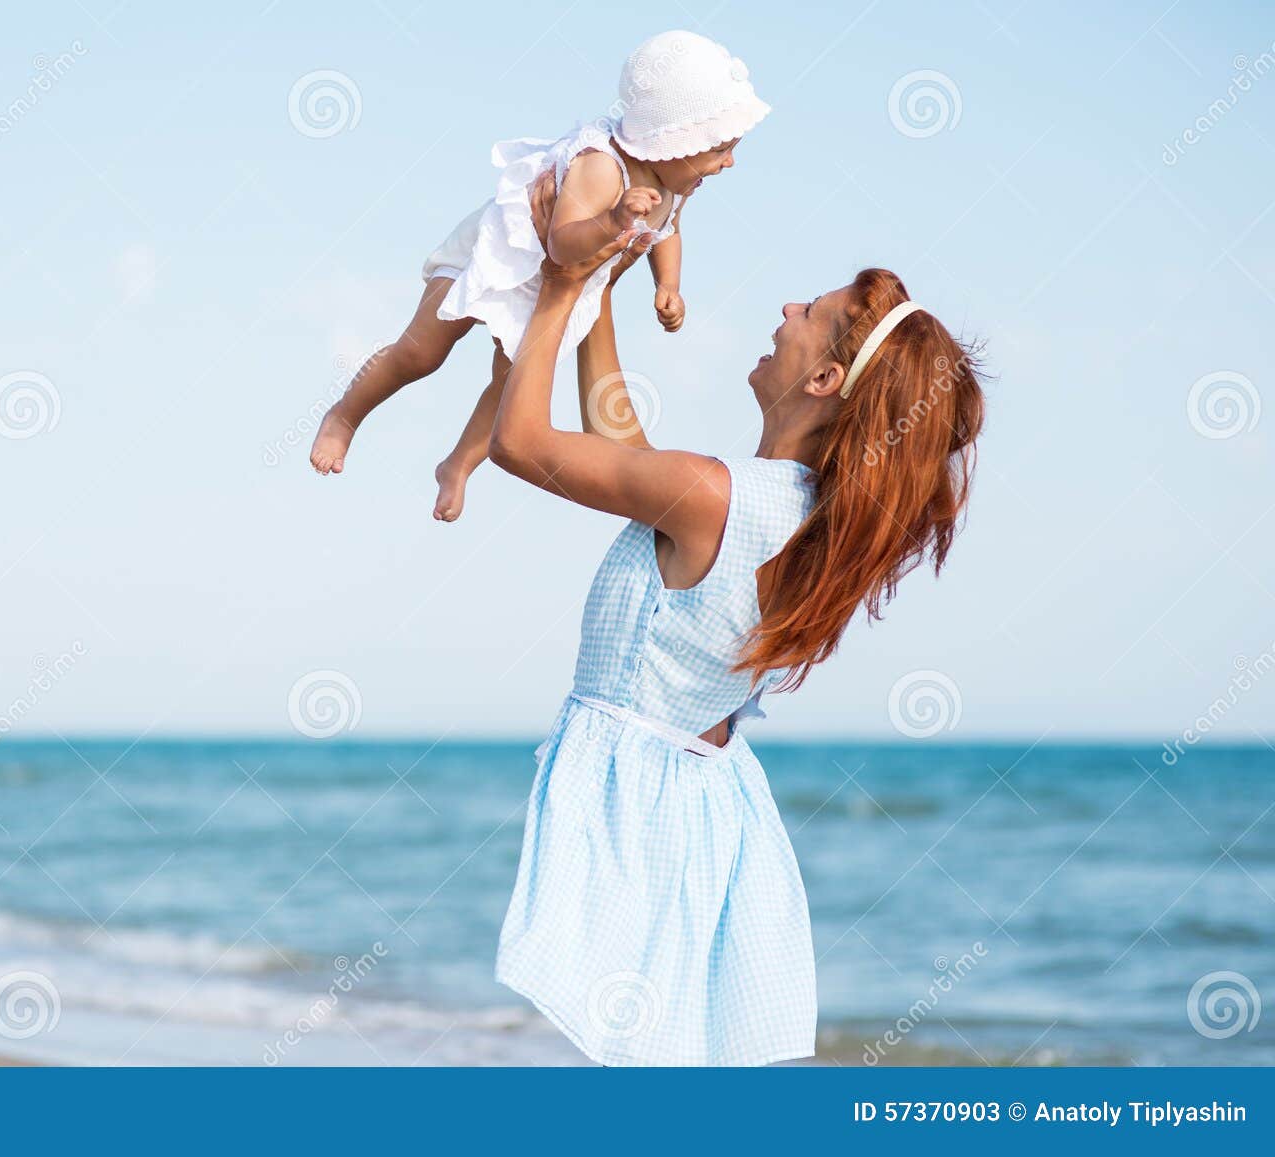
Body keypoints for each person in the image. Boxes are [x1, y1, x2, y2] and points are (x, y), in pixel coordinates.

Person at [485, 172, 986, 1065]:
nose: (787, 306)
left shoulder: (715, 495)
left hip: (634, 806)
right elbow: (627, 458)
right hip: (703, 806)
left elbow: (518, 444)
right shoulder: (803, 514)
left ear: (828, 376)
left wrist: (560, 288)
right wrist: (603, 294)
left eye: (812, 311)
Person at [308, 30, 770, 522]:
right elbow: (562, 243)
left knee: (511, 385)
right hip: (501, 256)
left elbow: (669, 229)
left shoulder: (678, 186)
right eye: (719, 148)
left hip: (549, 292)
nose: (729, 162)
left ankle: (458, 464)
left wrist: (667, 284)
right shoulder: (603, 169)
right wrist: (612, 223)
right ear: (671, 142)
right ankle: (345, 414)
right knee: (422, 350)